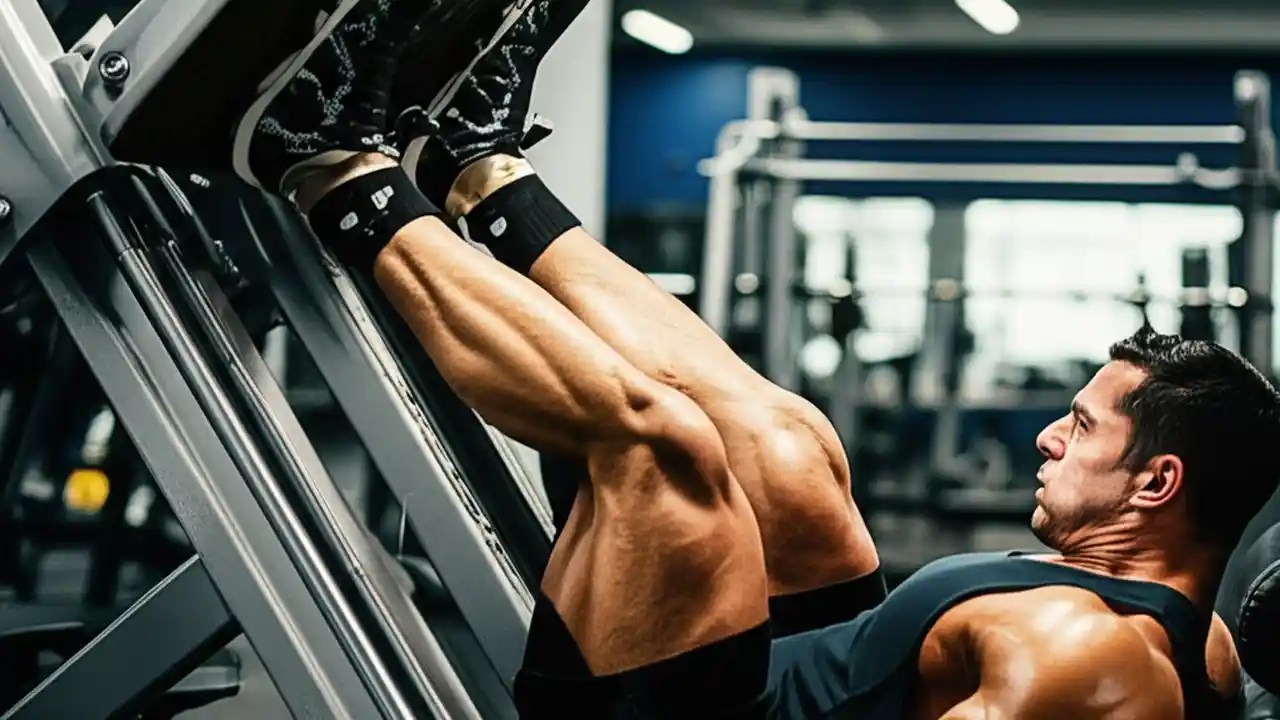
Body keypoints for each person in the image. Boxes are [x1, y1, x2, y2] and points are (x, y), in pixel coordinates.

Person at [229, 0, 1280, 717]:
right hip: (797, 677)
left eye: (1082, 425)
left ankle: (327, 170)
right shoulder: (1194, 637)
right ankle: (477, 173)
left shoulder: (1089, 664)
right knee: (789, 446)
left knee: (664, 447)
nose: (1048, 435)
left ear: (1156, 482)